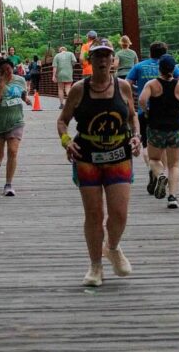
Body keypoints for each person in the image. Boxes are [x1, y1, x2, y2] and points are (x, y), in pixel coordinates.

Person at [56, 38, 141, 287]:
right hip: (88, 156)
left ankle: (112, 247)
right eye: (97, 56)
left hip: (119, 154)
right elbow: (63, 120)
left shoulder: (123, 87)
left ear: (113, 60)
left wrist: (136, 136)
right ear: (89, 61)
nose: (103, 60)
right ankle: (95, 266)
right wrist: (65, 140)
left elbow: (133, 117)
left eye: (107, 56)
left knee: (119, 213)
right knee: (94, 214)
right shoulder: (79, 90)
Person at [126, 42, 179, 193]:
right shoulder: (170, 65)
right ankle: (164, 176)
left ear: (150, 53)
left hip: (145, 113)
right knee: (167, 151)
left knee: (147, 146)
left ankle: (155, 172)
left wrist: (136, 91)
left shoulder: (140, 66)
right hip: (171, 117)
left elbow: (127, 84)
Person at [138, 54, 179, 209]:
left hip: (156, 128)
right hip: (175, 128)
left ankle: (160, 175)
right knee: (174, 164)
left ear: (159, 68)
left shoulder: (152, 84)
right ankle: (172, 197)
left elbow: (142, 100)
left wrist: (147, 111)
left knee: (154, 159)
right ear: (173, 69)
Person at [0, 56, 31, 197]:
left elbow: (22, 94)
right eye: (3, 70)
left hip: (16, 122)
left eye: (9, 69)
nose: (7, 72)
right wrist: (1, 85)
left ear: (13, 68)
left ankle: (9, 184)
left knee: (13, 151)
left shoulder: (20, 80)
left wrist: (26, 99)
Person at [52, 45, 77, 109]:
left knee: (60, 89)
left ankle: (61, 104)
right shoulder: (70, 54)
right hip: (68, 73)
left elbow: (55, 67)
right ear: (65, 50)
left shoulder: (57, 56)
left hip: (60, 74)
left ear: (60, 51)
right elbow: (74, 61)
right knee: (68, 88)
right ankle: (71, 103)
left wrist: (54, 76)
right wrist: (71, 66)